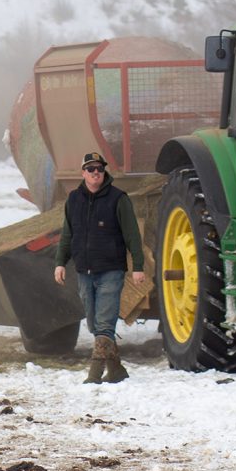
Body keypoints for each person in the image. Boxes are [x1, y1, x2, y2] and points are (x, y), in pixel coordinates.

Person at [50, 151, 149, 383]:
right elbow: (67, 233)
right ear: (83, 172)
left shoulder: (118, 199)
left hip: (111, 270)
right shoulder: (74, 199)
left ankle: (93, 375)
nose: (96, 173)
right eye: (91, 169)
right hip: (84, 270)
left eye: (100, 169)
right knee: (95, 323)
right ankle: (116, 370)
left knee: (105, 322)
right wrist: (60, 263)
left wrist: (138, 266)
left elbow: (132, 235)